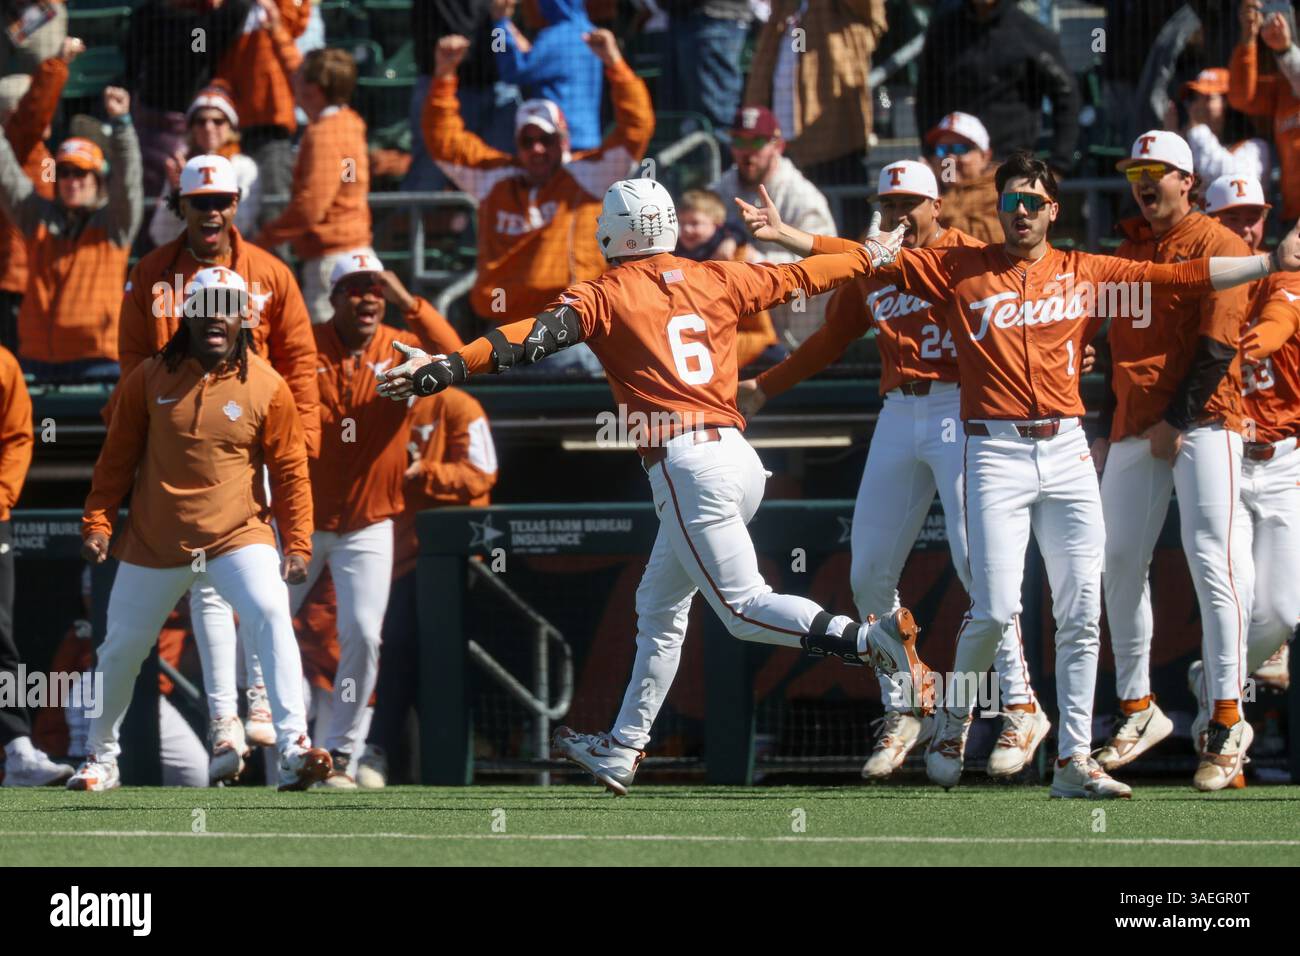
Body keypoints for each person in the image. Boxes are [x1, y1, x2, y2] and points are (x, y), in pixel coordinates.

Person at [738, 148, 1300, 798]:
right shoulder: (960, 265)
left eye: (1035, 201)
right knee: (992, 604)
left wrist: (1270, 263)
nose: (1024, 211)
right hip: (990, 441)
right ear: (998, 209)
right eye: (1012, 201)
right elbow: (868, 260)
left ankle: (1071, 757)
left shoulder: (1083, 266)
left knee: (1081, 605)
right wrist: (788, 238)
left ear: (1052, 210)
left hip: (1060, 445)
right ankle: (944, 711)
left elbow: (1185, 279)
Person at [374, 177, 931, 796]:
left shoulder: (607, 292)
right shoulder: (718, 276)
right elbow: (807, 277)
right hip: (739, 459)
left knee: (744, 608)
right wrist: (872, 254)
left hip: (686, 463)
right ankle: (623, 746)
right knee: (658, 608)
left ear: (614, 231)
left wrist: (447, 366)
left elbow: (525, 339)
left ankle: (871, 640)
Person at [736, 161, 1044, 781]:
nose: (899, 211)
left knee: (976, 563)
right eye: (888, 200)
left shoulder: (968, 255)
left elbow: (1033, 305)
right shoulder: (874, 262)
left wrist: (1078, 344)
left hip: (965, 405)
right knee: (869, 572)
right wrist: (765, 387)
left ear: (938, 207)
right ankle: (908, 699)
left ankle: (1019, 701)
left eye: (911, 201)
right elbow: (829, 339)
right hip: (900, 409)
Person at [73, 266, 330, 792]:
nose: (215, 313)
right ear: (186, 313)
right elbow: (115, 459)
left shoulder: (268, 384)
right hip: (154, 540)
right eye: (204, 302)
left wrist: (298, 543)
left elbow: (289, 472)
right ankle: (100, 758)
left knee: (270, 611)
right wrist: (98, 521)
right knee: (119, 649)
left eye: (227, 304)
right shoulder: (146, 377)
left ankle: (294, 747)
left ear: (244, 316)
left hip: (238, 535)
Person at [117, 152, 320, 778]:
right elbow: (130, 360)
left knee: (259, 579)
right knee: (205, 584)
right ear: (179, 206)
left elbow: (300, 357)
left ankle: (259, 704)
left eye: (221, 201)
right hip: (176, 437)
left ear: (236, 204)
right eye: (199, 202)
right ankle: (225, 717)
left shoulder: (268, 271)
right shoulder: (152, 272)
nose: (211, 212)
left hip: (252, 427)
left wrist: (303, 434)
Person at [1091, 132, 1255, 792]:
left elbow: (1217, 347)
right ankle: (1138, 707)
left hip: (1205, 420)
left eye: (1156, 171)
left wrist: (1175, 421)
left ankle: (1227, 719)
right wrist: (1106, 427)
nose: (1143, 181)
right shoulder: (1127, 252)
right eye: (1135, 171)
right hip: (1135, 426)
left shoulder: (1224, 245)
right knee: (1118, 559)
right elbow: (1110, 350)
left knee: (1210, 558)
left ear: (1188, 180)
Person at [284, 252, 463, 788]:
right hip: (302, 515)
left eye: (375, 289)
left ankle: (341, 751)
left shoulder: (400, 345)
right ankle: (289, 736)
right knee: (268, 626)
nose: (367, 299)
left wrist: (408, 300)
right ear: (334, 296)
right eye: (355, 289)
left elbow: (456, 354)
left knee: (364, 634)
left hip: (369, 519)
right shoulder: (304, 343)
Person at [423, 28, 653, 365]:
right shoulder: (496, 179)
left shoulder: (587, 174)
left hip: (570, 327)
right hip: (504, 329)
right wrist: (443, 75)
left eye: (546, 139)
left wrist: (614, 63)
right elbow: (444, 142)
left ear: (564, 140)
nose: (537, 149)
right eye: (527, 140)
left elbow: (637, 128)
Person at [1186, 172, 1300, 774]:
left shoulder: (1283, 277)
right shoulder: (1197, 284)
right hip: (1223, 454)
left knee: (1283, 611)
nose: (1248, 227)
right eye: (1234, 217)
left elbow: (1278, 324)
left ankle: (1213, 674)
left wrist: (1226, 349)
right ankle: (1222, 728)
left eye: (1255, 216)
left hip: (1282, 461)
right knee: (1233, 596)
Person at [355, 388, 499, 789]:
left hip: (456, 561)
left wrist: (425, 470)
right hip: (398, 555)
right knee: (400, 649)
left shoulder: (458, 405)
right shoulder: (377, 408)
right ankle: (407, 758)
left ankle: (394, 751)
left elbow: (482, 473)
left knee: (431, 657)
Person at [0, 86, 142, 383]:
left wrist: (122, 124)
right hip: (37, 360)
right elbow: (8, 179)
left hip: (98, 361)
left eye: (80, 173)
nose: (71, 181)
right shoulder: (38, 218)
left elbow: (128, 184)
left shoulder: (115, 224)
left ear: (97, 180)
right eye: (64, 173)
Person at [742, 0, 887, 235]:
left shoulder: (845, 9)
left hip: (835, 145)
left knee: (848, 239)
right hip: (784, 147)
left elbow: (871, 8)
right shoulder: (785, 7)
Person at [0, 343, 71, 786]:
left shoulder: (3, 363)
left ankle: (17, 750)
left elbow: (18, 436)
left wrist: (1, 496)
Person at [257, 48, 372, 323]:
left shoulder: (323, 134)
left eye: (299, 78)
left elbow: (311, 207)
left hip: (330, 262)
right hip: (354, 252)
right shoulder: (350, 121)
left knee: (325, 349)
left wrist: (266, 238)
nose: (293, 83)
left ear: (314, 89)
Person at [710, 106, 836, 348]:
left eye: (756, 142)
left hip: (795, 336)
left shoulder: (803, 197)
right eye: (738, 141)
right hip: (736, 334)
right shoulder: (719, 191)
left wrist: (755, 262)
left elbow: (826, 268)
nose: (747, 152)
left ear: (777, 145)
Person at [915, 0, 1079, 174]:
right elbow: (926, 96)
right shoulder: (944, 31)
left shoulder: (1030, 33)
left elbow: (1066, 93)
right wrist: (932, 153)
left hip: (1010, 168)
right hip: (953, 169)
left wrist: (1059, 165)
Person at [0, 36, 79, 353]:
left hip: (42, 273)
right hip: (15, 276)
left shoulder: (42, 151)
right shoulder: (17, 145)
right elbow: (32, 114)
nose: (49, 111)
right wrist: (57, 63)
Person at [213, 0, 311, 232]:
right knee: (231, 216)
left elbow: (296, 20)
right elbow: (200, 41)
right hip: (226, 131)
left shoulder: (278, 16)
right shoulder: (227, 12)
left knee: (273, 213)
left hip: (272, 129)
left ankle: (278, 268)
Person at [147, 84, 261, 247]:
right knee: (176, 274)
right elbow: (160, 236)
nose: (208, 127)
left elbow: (241, 225)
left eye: (218, 121)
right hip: (185, 265)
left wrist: (194, 207)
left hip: (229, 262)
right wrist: (177, 198)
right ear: (192, 128)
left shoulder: (244, 167)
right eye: (201, 121)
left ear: (230, 126)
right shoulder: (184, 168)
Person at [674, 189, 777, 368]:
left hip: (742, 341)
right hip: (694, 342)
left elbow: (758, 328)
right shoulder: (676, 258)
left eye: (695, 223)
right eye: (682, 223)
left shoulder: (736, 256)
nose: (687, 230)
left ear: (716, 224)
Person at [493, 0, 604, 152]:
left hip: (559, 144)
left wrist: (499, 26)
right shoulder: (590, 32)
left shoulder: (555, 37)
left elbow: (512, 72)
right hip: (590, 140)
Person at [1168, 68, 1270, 188]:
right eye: (1194, 98)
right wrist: (1173, 140)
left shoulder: (1255, 147)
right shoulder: (1191, 143)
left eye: (1208, 98)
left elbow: (1231, 183)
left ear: (1227, 102)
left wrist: (1198, 130)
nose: (1198, 106)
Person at [924, 111, 1002, 245]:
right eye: (941, 149)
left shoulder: (999, 189)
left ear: (985, 156)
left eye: (960, 149)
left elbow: (993, 239)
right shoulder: (932, 188)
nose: (949, 158)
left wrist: (936, 203)